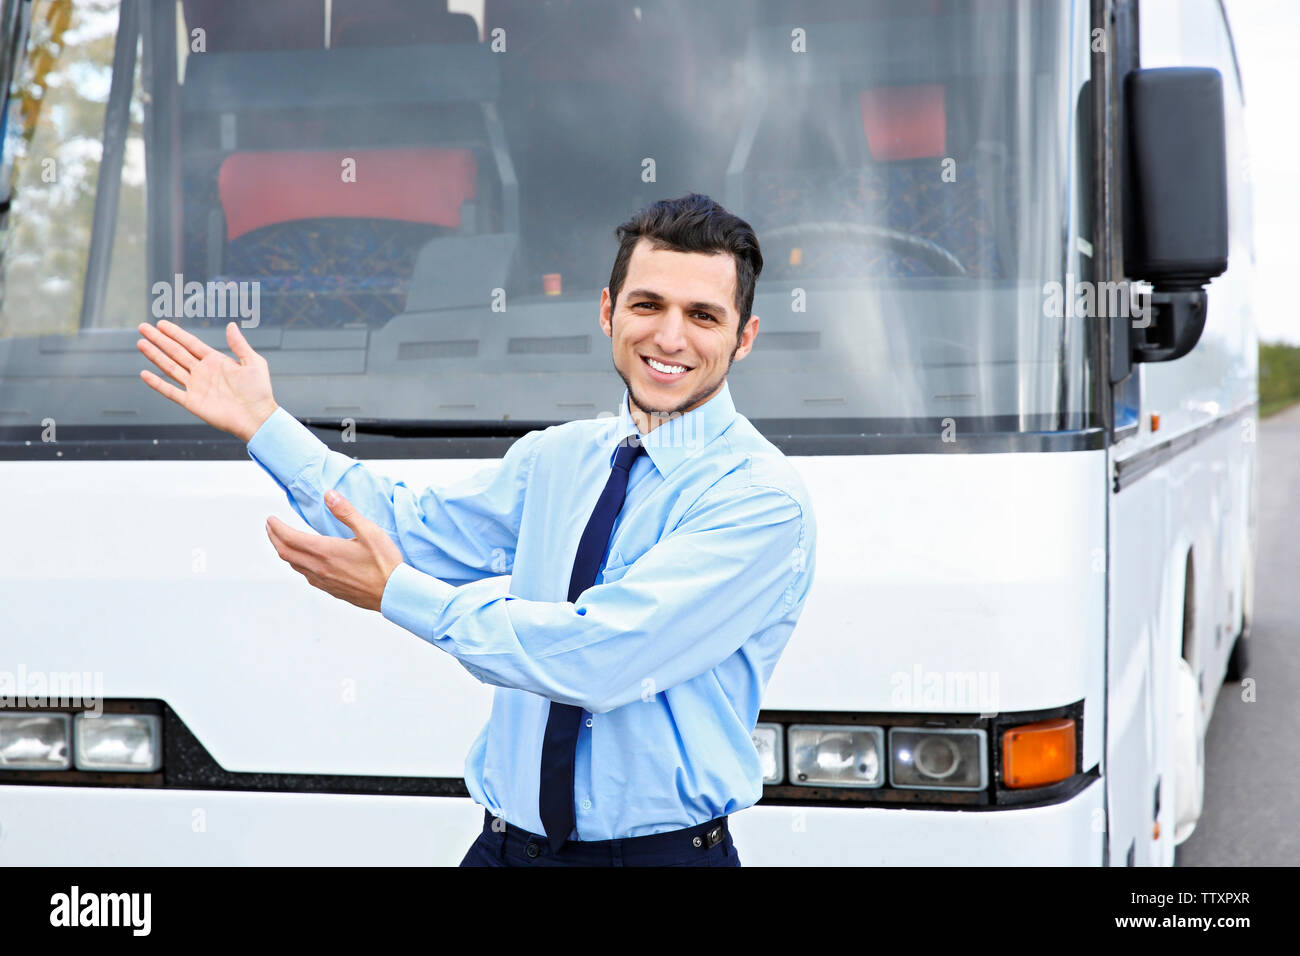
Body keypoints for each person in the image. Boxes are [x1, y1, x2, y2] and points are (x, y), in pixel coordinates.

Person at [136, 193, 817, 867]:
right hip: (505, 849)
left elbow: (601, 656)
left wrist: (400, 595)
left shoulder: (761, 501)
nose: (670, 338)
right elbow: (412, 527)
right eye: (647, 305)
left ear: (743, 337)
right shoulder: (559, 457)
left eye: (703, 315)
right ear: (608, 312)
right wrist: (268, 426)